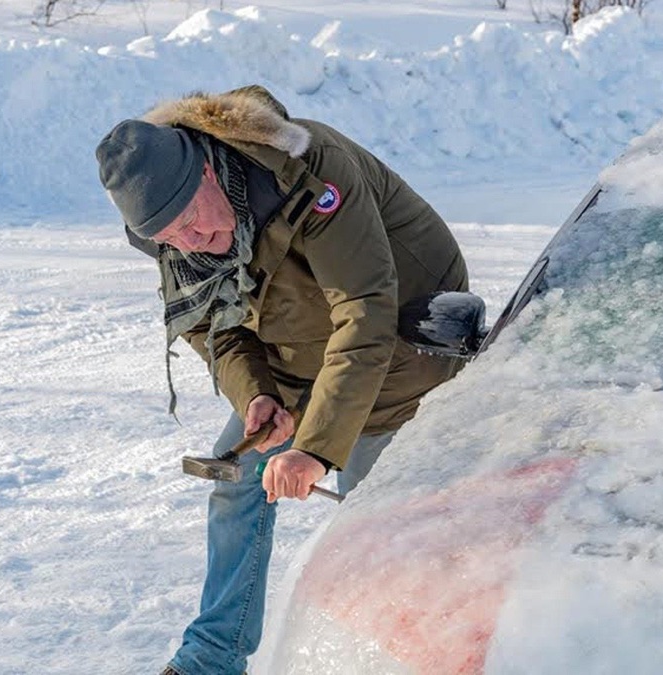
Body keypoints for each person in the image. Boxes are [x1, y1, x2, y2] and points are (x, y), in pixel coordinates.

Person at [95, 85, 469, 675]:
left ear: (210, 170)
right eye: (170, 240)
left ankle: (410, 659)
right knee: (238, 474)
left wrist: (317, 449)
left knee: (375, 520)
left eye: (192, 221)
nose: (189, 244)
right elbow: (211, 327)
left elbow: (366, 312)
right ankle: (210, 659)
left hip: (405, 338)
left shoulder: (310, 173)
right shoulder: (172, 228)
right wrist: (258, 394)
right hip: (301, 343)